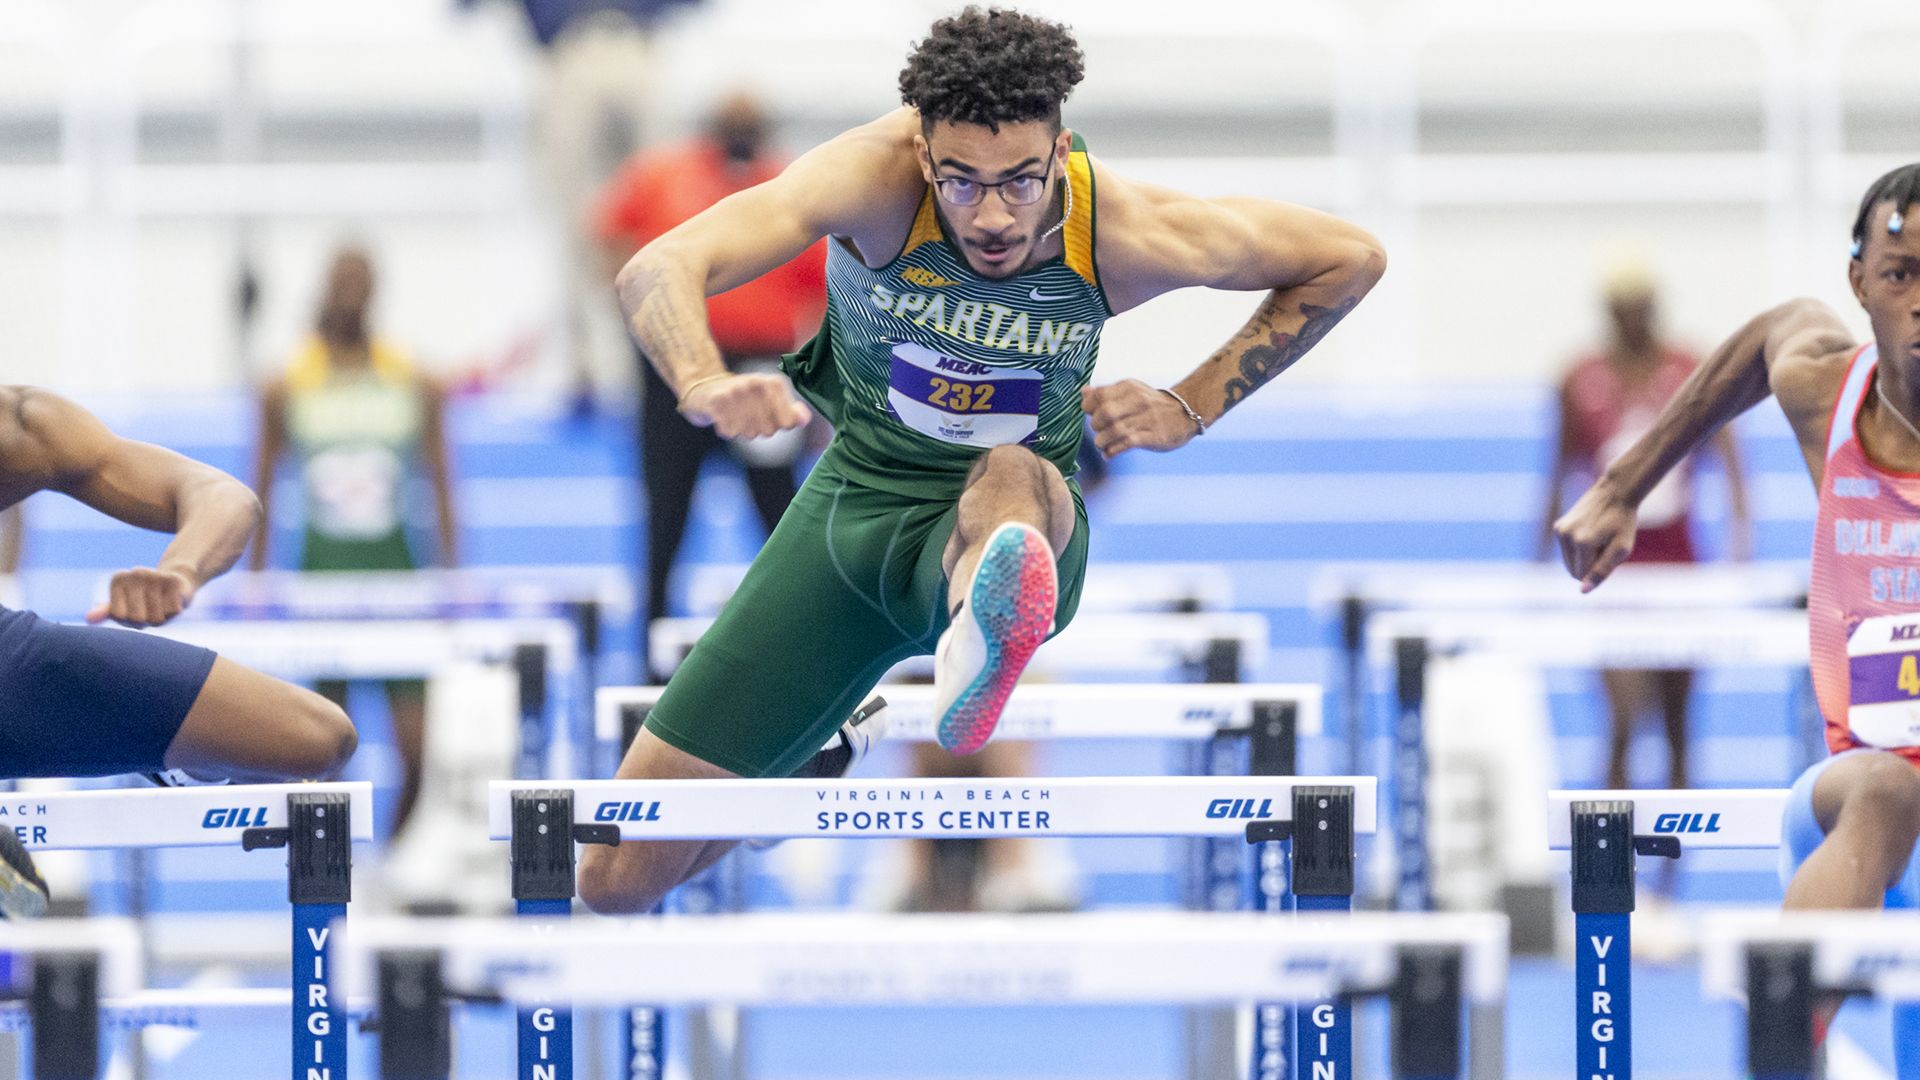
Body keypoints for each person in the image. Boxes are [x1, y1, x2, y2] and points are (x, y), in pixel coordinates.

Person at [578, 7, 1386, 915]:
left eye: (1020, 181)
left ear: (1060, 149)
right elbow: (658, 264)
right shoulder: (868, 180)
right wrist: (698, 380)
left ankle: (981, 624)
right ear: (922, 153)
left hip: (1024, 512)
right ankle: (817, 759)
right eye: (961, 182)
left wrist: (1189, 403)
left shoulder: (1123, 229)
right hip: (851, 520)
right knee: (611, 877)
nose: (995, 215)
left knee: (1007, 469)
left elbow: (1349, 258)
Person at [1555, 162, 1920, 1058]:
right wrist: (1620, 487)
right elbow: (1771, 333)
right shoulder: (1826, 394)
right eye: (1903, 273)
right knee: (1886, 788)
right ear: (1862, 284)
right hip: (1863, 804)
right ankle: (1780, 1054)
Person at [0, 385, 360, 914]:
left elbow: (220, 494)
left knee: (316, 736)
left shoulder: (20, 426)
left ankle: (166, 760)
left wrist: (180, 569)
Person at [591, 92, 828, 641]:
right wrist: (639, 326)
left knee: (780, 515)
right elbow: (610, 243)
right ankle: (650, 641)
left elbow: (820, 299)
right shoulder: (660, 175)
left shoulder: (787, 188)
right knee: (665, 511)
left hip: (763, 367)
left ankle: (801, 635)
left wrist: (816, 395)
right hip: (676, 367)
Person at [251, 247, 457, 842]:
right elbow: (259, 491)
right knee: (320, 750)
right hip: (322, 576)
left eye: (360, 281)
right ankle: (330, 869)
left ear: (376, 291)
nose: (349, 293)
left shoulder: (413, 378)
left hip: (399, 575)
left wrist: (450, 580)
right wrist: (257, 586)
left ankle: (386, 866)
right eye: (339, 281)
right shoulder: (287, 382)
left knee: (417, 750)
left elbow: (442, 484)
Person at [1540, 263, 1751, 793]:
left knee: (1678, 728)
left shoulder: (1689, 368)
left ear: (1655, 309)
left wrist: (1740, 542)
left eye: (1642, 309)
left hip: (1678, 559)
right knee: (1622, 720)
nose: (1633, 321)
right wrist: (1533, 568)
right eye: (1622, 311)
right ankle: (1617, 870)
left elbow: (1729, 461)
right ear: (1609, 313)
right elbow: (1557, 473)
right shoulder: (1579, 377)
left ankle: (1666, 873)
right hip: (1609, 566)